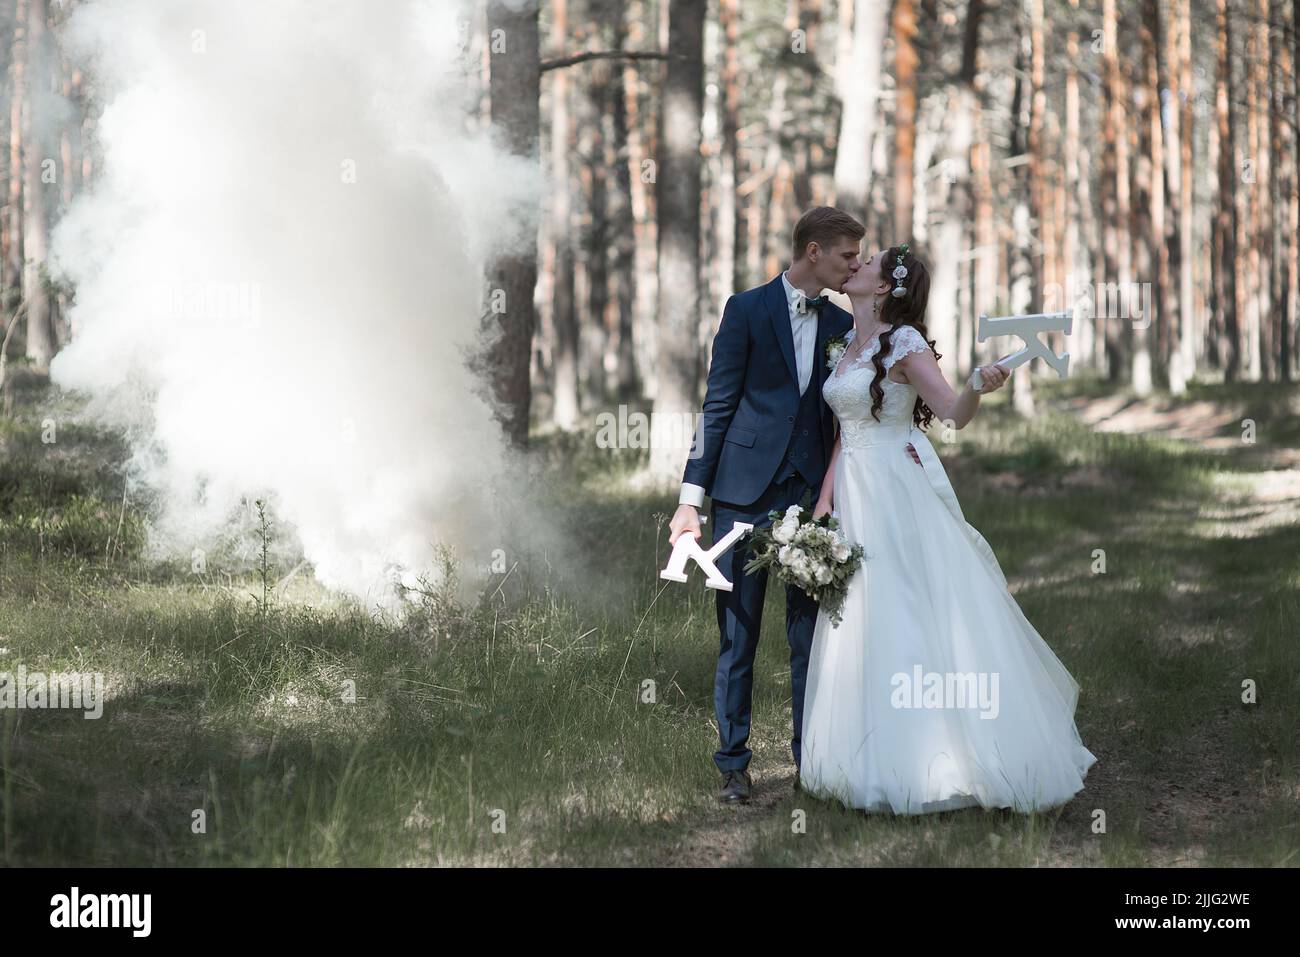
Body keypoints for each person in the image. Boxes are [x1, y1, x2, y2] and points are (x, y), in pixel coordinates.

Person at [800, 242, 1098, 814]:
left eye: (867, 264)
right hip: (853, 489)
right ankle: (856, 760)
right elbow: (846, 432)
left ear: (885, 287)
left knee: (903, 607)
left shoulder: (905, 344)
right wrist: (822, 505)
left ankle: (933, 762)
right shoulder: (847, 344)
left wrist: (976, 387)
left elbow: (952, 415)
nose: (855, 265)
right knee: (856, 613)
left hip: (891, 489)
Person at [667, 207, 924, 805]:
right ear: (813, 251)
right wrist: (690, 500)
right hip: (739, 495)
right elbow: (716, 408)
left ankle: (814, 765)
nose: (855, 265)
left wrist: (902, 447)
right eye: (846, 257)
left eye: (861, 259)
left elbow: (866, 403)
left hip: (810, 497)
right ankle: (733, 765)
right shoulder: (745, 310)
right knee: (738, 636)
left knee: (813, 637)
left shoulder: (844, 323)